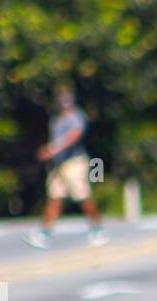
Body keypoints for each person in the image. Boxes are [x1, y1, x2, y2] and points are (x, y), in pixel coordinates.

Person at [24, 86, 106, 249]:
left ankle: (97, 229)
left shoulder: (76, 117)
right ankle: (44, 234)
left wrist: (52, 149)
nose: (64, 102)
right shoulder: (56, 120)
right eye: (62, 99)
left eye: (67, 98)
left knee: (82, 196)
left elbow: (73, 137)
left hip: (74, 162)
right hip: (59, 164)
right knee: (54, 197)